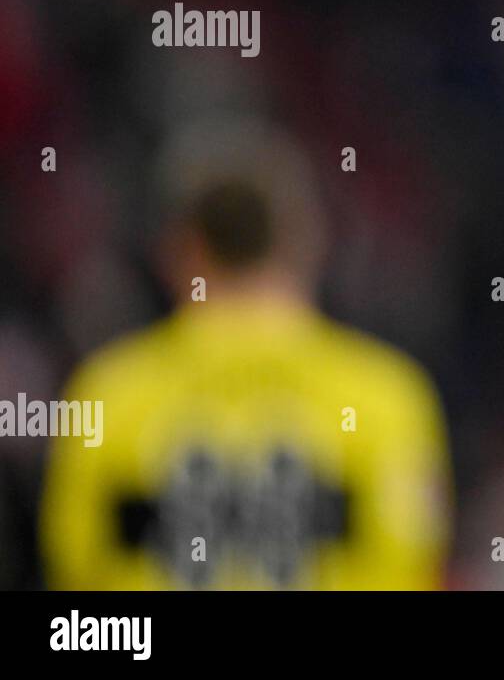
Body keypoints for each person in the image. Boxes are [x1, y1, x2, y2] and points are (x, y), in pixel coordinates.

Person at [41, 124, 453, 589]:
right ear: (306, 240)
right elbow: (411, 566)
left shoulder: (108, 396)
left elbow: (74, 574)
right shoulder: (385, 397)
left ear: (180, 249)